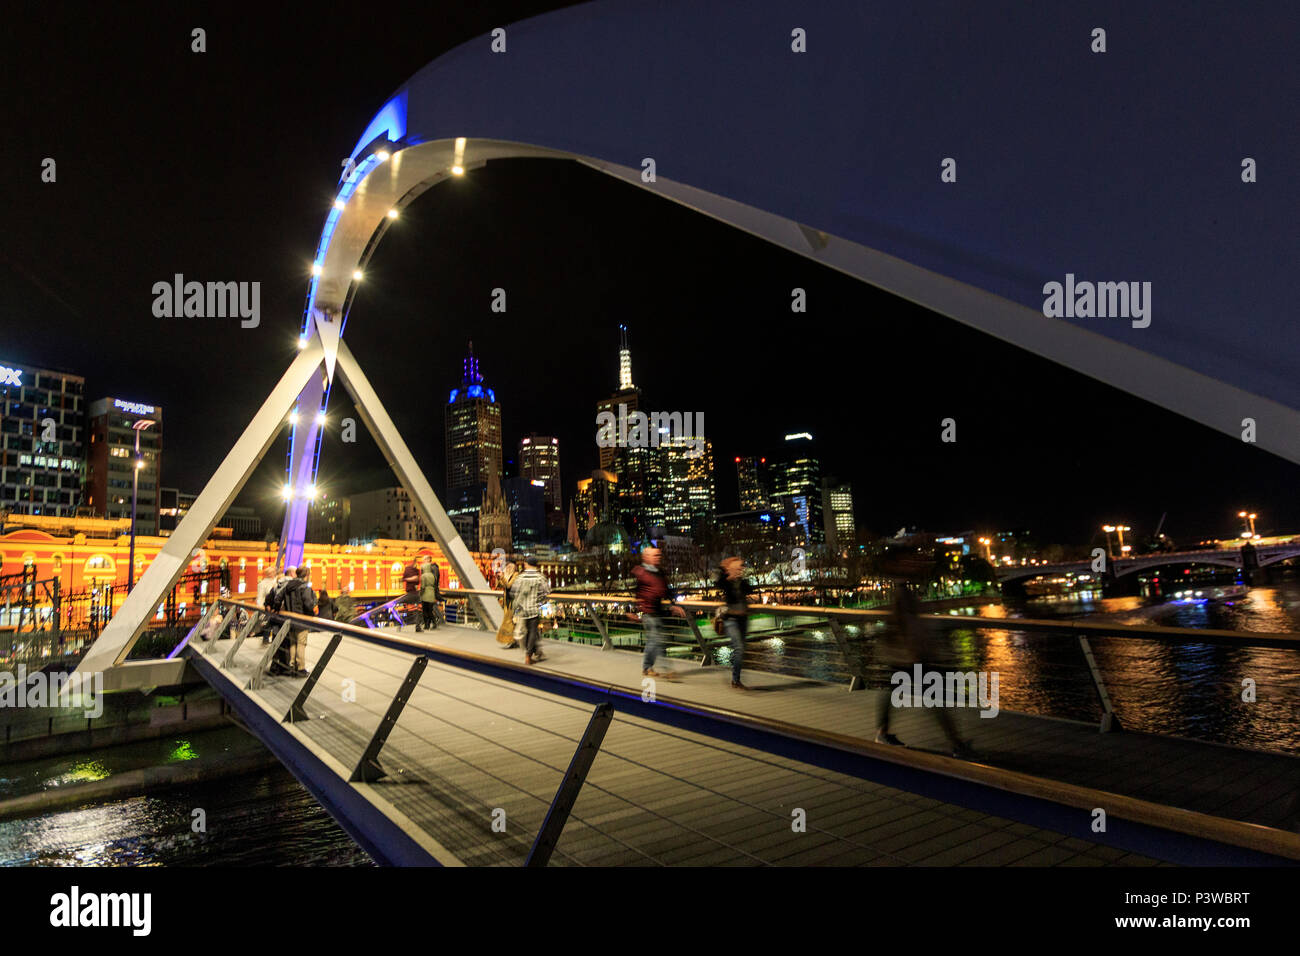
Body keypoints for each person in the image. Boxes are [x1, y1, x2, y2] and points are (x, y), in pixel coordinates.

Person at [874, 558, 971, 758]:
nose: (914, 566)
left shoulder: (903, 591)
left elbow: (904, 624)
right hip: (910, 656)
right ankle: (956, 744)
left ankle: (883, 732)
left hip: (906, 656)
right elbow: (905, 625)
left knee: (902, 694)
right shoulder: (902, 593)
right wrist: (920, 651)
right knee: (934, 698)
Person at [634, 546, 685, 678]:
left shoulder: (659, 572)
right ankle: (667, 669)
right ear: (646, 557)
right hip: (649, 613)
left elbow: (665, 590)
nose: (658, 557)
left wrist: (673, 605)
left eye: (659, 555)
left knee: (653, 641)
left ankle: (647, 668)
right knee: (658, 641)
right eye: (655, 555)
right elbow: (640, 593)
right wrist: (636, 609)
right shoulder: (642, 572)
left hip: (657, 611)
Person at [716, 556, 754, 690]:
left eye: (742, 567)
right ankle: (736, 680)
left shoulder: (742, 582)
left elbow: (751, 590)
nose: (741, 570)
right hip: (731, 619)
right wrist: (725, 570)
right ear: (730, 569)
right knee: (739, 648)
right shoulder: (725, 582)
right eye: (738, 568)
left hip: (743, 619)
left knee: (741, 648)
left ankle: (736, 680)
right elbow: (718, 582)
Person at [275, 565, 316, 678]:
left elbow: (278, 598)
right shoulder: (304, 587)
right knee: (301, 643)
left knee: (293, 642)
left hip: (290, 619)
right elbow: (308, 604)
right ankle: (301, 668)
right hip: (302, 619)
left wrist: (277, 609)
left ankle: (292, 665)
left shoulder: (288, 585)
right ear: (306, 575)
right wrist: (311, 613)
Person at [511, 556, 550, 665]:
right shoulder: (540, 577)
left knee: (525, 631)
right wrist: (539, 600)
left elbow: (514, 592)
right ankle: (529, 656)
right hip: (533, 609)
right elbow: (546, 591)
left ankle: (530, 653)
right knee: (533, 631)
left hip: (522, 609)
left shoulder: (521, 577)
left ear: (527, 564)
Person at [496, 561, 519, 648]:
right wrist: (499, 578)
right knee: (510, 621)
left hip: (512, 601)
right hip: (507, 601)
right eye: (507, 566)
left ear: (514, 567)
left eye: (510, 567)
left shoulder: (516, 575)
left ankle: (512, 640)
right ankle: (513, 640)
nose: (508, 568)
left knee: (509, 621)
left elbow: (508, 585)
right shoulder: (507, 575)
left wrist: (503, 578)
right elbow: (500, 585)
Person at [256, 566, 278, 642]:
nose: (273, 574)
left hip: (276, 607)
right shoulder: (262, 584)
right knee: (267, 625)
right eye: (271, 572)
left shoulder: (277, 581)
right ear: (267, 574)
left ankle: (275, 640)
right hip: (267, 607)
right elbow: (260, 596)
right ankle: (266, 639)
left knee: (275, 625)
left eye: (273, 572)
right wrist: (261, 607)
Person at [419, 560, 440, 631]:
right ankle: (434, 622)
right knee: (430, 610)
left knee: (425, 611)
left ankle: (426, 625)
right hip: (432, 594)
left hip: (425, 594)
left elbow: (422, 586)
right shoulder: (432, 575)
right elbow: (435, 584)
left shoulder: (423, 576)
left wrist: (420, 594)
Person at [402, 559, 422, 630]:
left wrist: (406, 579)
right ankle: (417, 626)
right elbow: (416, 579)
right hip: (414, 593)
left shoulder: (410, 570)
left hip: (411, 593)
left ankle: (402, 625)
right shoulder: (414, 570)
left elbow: (416, 579)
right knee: (416, 609)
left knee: (414, 609)